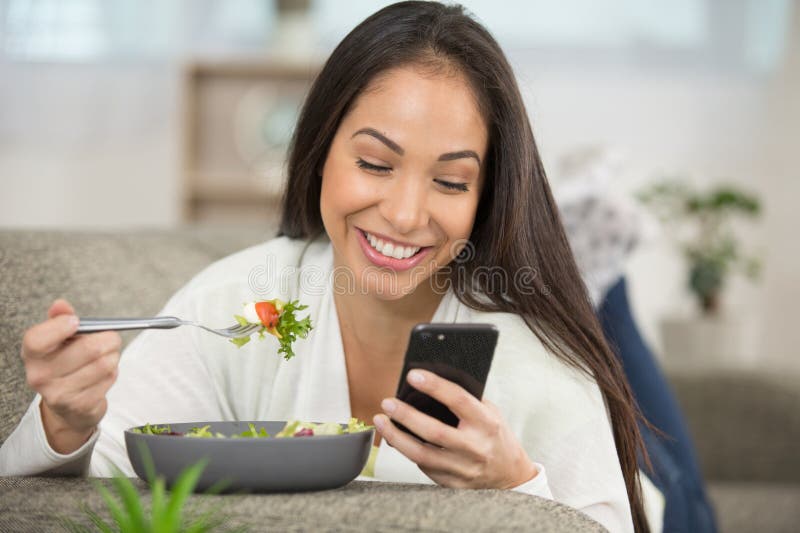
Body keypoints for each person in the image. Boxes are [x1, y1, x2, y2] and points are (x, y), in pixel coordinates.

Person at [0, 3, 655, 531]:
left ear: (485, 199)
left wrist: (514, 486)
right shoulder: (241, 301)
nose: (402, 213)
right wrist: (67, 422)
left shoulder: (535, 352)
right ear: (319, 153)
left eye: (451, 181)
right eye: (375, 163)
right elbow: (94, 480)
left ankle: (604, 269)